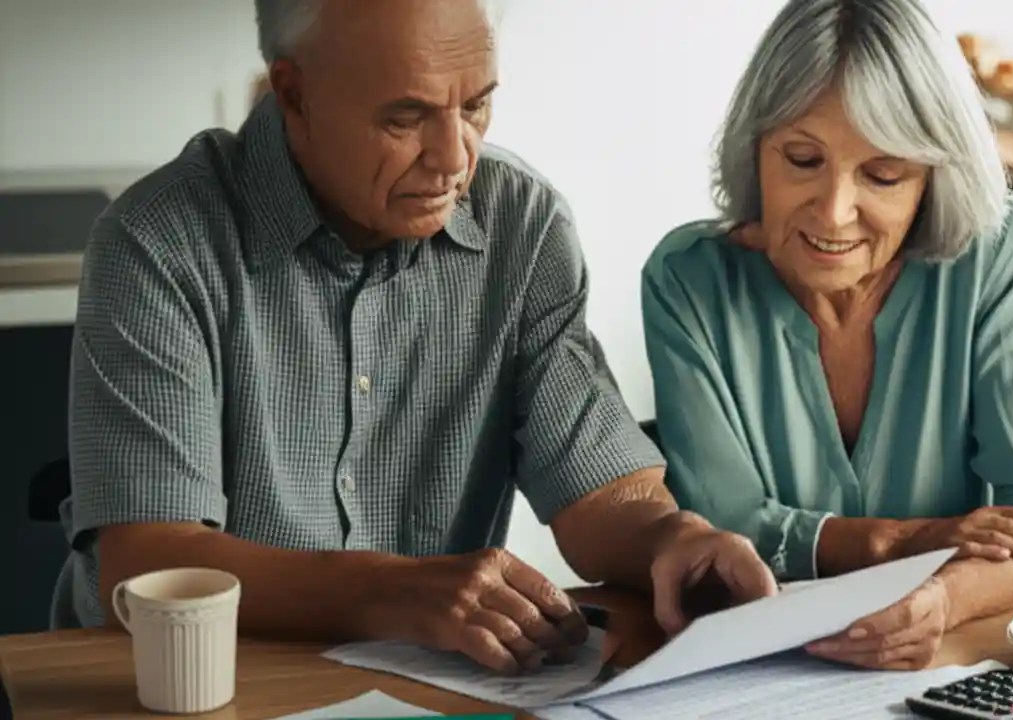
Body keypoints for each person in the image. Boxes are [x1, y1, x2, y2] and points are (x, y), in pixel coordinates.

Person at [55, 0, 776, 674]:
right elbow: (148, 564)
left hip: (421, 682)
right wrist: (387, 591)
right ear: (294, 95)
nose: (454, 158)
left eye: (477, 104)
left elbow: (597, 488)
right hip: (176, 682)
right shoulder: (156, 242)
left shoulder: (523, 226)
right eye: (406, 118)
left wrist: (670, 539)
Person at [642, 0, 1013, 671]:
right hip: (757, 672)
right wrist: (902, 542)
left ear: (933, 178)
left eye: (883, 175)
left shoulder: (1000, 253)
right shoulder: (687, 278)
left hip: (946, 662)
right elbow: (726, 527)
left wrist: (942, 600)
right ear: (755, 150)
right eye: (801, 160)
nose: (833, 212)